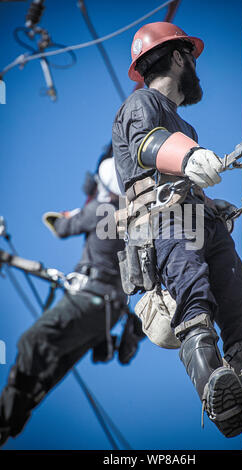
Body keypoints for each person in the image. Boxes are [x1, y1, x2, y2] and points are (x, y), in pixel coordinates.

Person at [112, 22, 242, 438]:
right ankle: (214, 386)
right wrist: (188, 159)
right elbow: (146, 145)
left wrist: (208, 203)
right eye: (192, 58)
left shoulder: (186, 129)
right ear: (178, 56)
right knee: (193, 292)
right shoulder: (142, 102)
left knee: (240, 305)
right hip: (165, 221)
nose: (195, 68)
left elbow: (176, 166)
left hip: (198, 219)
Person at [0, 157, 145, 447]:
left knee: (33, 342)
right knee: (50, 367)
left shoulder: (100, 210)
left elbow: (61, 227)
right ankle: (7, 425)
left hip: (89, 299)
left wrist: (74, 212)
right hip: (106, 315)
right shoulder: (134, 218)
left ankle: (6, 420)